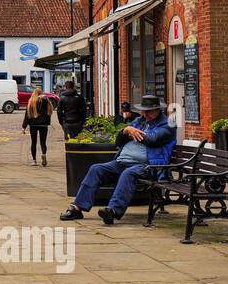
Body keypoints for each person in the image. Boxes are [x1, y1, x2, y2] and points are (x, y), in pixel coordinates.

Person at [60, 94, 175, 225]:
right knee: (96, 169)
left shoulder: (167, 125)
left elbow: (151, 139)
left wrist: (130, 131)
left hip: (148, 165)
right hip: (122, 162)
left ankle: (113, 211)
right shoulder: (139, 121)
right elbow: (119, 140)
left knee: (129, 173)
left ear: (158, 110)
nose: (145, 114)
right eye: (144, 111)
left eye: (149, 111)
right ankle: (77, 207)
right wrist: (127, 130)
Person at [22, 86, 53, 167]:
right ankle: (43, 154)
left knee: (33, 142)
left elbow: (27, 115)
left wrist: (24, 126)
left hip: (33, 124)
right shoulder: (47, 101)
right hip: (43, 124)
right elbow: (50, 112)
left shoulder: (31, 101)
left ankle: (34, 160)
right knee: (43, 142)